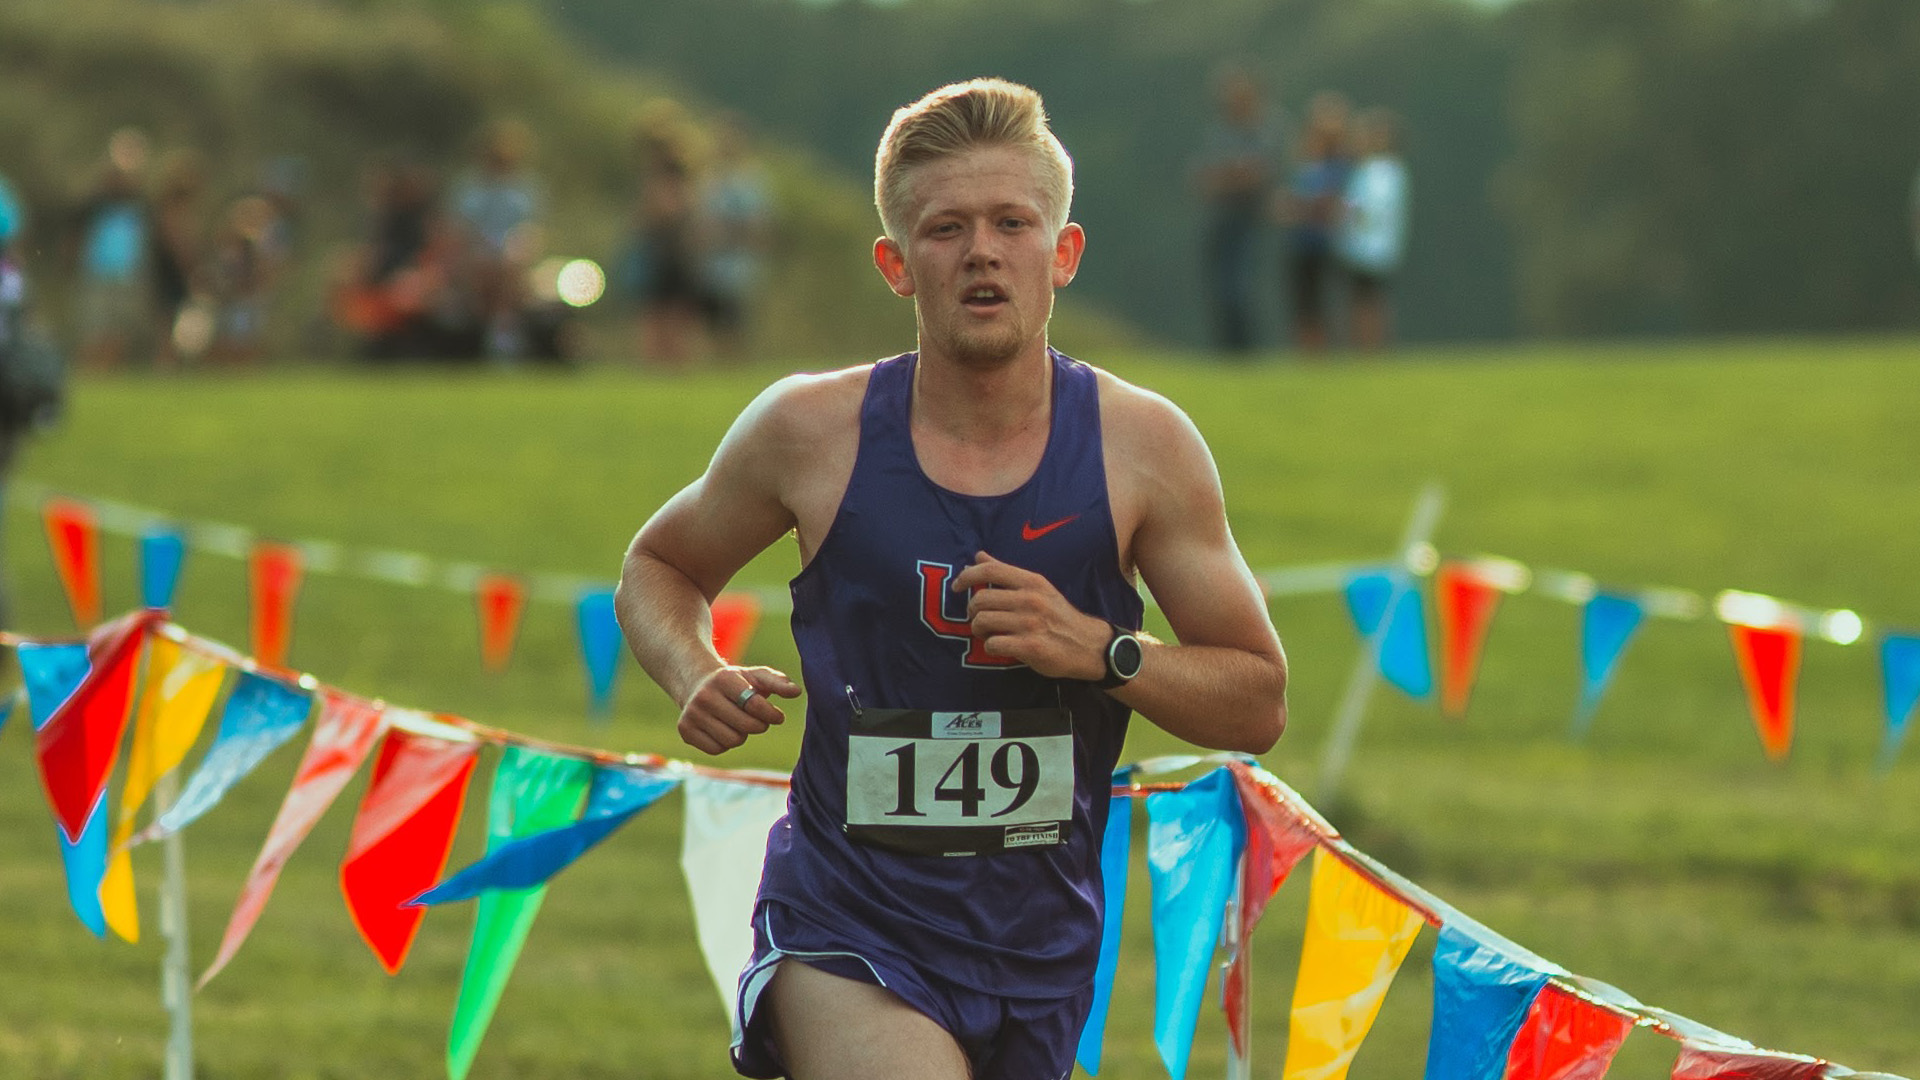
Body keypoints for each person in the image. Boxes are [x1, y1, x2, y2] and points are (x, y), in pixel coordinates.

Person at [614, 78, 1287, 1080]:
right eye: (946, 229)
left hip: (1043, 945)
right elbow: (660, 565)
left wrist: (1104, 651)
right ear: (896, 264)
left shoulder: (1142, 449)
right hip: (844, 923)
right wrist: (691, 669)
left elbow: (1258, 699)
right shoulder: (809, 431)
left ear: (1062, 253)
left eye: (1013, 222)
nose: (982, 250)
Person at [1191, 67, 1286, 354]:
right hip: (1221, 217)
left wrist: (1228, 176)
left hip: (1249, 218)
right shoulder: (1221, 132)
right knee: (1219, 285)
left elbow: (1258, 173)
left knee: (1240, 285)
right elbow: (1204, 177)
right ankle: (1226, 349)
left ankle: (1245, 350)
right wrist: (1231, 175)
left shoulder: (1266, 130)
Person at [1276, 91, 1352, 355]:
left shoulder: (1339, 166)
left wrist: (1300, 206)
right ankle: (1309, 355)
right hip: (1302, 240)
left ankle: (1325, 353)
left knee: (1324, 302)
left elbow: (1329, 204)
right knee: (1304, 302)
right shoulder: (1307, 164)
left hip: (1327, 241)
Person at [697, 114, 775, 361]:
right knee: (712, 321)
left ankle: (733, 362)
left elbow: (760, 225)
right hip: (711, 264)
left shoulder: (750, 181)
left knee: (735, 320)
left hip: (740, 264)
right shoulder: (709, 181)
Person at [1337, 108, 1409, 352]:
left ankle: (1372, 349)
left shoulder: (1383, 170)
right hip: (1362, 244)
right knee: (1363, 299)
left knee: (1369, 300)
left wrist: (1346, 213)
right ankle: (1365, 348)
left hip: (1370, 246)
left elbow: (1365, 207)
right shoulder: (1369, 169)